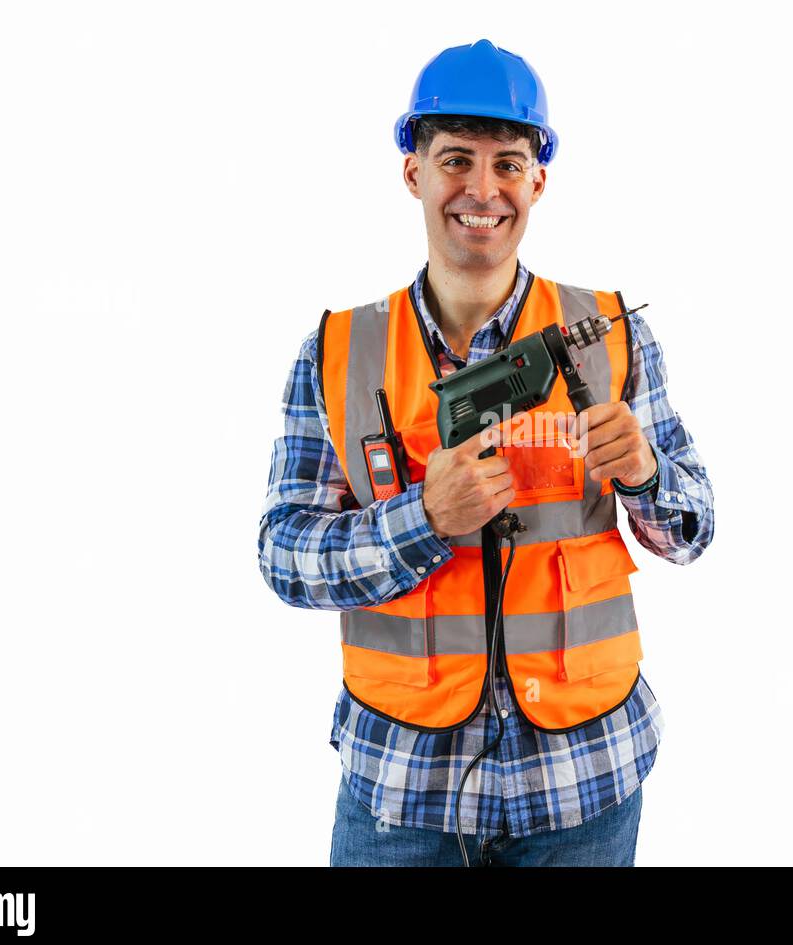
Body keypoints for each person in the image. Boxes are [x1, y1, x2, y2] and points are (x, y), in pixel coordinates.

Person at [257, 38, 714, 867]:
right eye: (455, 159)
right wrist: (422, 518)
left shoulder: (611, 333)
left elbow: (694, 529)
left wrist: (644, 473)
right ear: (413, 172)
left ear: (538, 180)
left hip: (585, 783)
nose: (482, 189)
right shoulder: (337, 350)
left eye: (508, 163)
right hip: (400, 795)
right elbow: (283, 557)